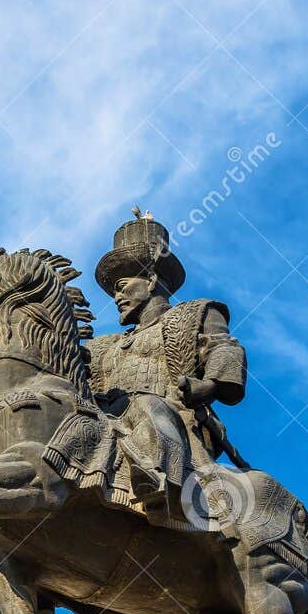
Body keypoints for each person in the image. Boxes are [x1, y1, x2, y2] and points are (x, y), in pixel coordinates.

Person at [44, 210, 249, 520]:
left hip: (173, 420)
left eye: (122, 285)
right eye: (114, 290)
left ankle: (156, 481)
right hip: (109, 425)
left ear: (151, 280)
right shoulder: (103, 346)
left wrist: (209, 385)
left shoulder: (196, 314)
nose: (116, 296)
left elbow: (224, 348)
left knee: (148, 406)